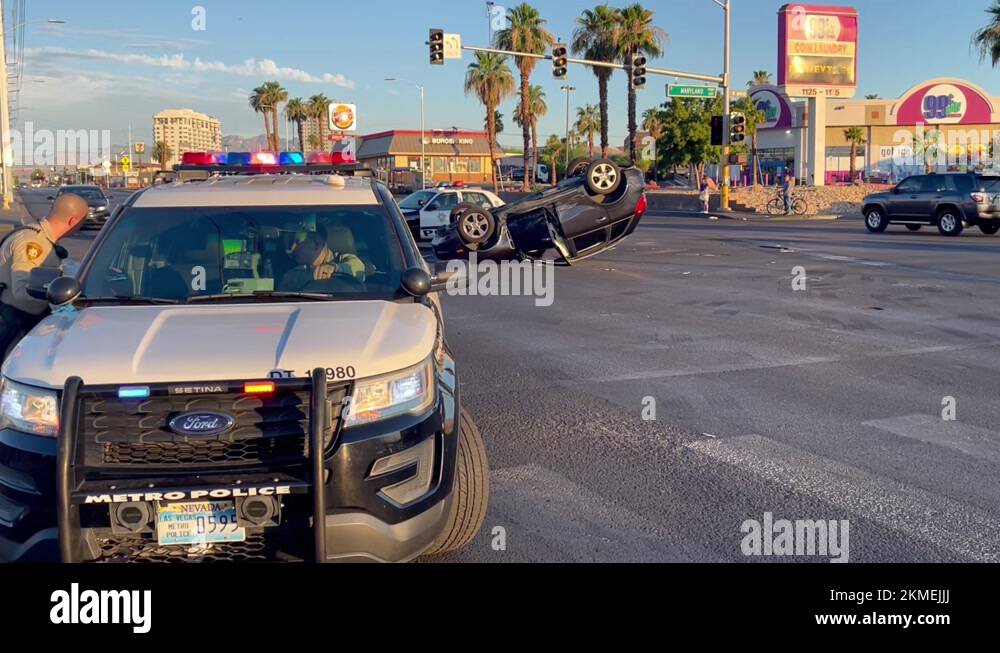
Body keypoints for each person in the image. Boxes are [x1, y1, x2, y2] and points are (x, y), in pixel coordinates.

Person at [0, 193, 88, 357]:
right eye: (82, 222)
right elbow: (22, 290)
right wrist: (62, 302)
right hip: (14, 324)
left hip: (24, 320)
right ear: (73, 221)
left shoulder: (42, 238)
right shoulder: (33, 243)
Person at [281, 232, 365, 291]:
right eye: (287, 247)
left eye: (292, 243)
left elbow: (357, 268)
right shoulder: (292, 275)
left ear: (316, 243)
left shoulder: (344, 260)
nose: (289, 251)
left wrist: (334, 268)